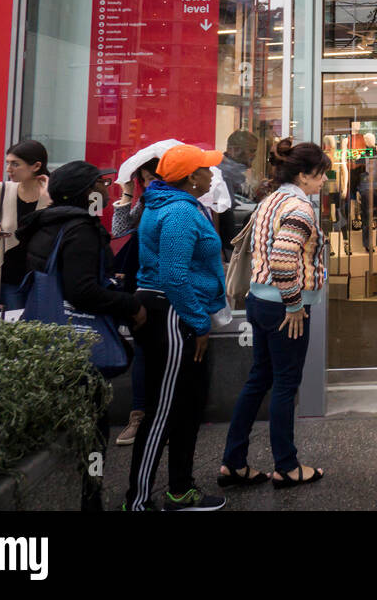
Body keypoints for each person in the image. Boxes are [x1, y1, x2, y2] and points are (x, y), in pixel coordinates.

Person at [16, 160, 147, 510]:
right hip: (79, 344)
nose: (106, 191)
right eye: (100, 185)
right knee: (93, 431)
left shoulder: (47, 223)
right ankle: (91, 500)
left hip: (49, 339)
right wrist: (130, 305)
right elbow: (81, 290)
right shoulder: (82, 230)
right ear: (84, 193)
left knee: (71, 427)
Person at [122, 144, 229, 511]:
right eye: (206, 169)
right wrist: (199, 322)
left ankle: (181, 490)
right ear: (190, 177)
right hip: (173, 315)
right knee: (163, 410)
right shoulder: (180, 212)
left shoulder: (177, 205)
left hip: (178, 313)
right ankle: (136, 502)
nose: (213, 175)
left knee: (188, 405)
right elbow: (173, 275)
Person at [221, 139, 328, 490]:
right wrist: (295, 304)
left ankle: (233, 461)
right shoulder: (299, 206)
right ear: (303, 175)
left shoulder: (271, 199)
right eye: (320, 174)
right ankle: (286, 465)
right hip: (284, 307)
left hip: (259, 299)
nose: (324, 180)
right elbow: (284, 258)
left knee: (258, 380)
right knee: (285, 385)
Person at [110, 154, 160, 447]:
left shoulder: (177, 202)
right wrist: (128, 193)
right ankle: (139, 415)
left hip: (164, 285)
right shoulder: (144, 202)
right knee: (142, 350)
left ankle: (160, 416)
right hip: (139, 283)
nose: (150, 184)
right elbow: (119, 230)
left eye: (154, 177)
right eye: (146, 179)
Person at [0, 140, 51, 311]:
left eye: (15, 164)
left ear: (36, 166)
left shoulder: (53, 193)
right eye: (8, 163)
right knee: (13, 332)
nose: (9, 169)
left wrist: (49, 199)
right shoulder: (0, 191)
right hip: (8, 278)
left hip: (44, 279)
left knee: (41, 334)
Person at [218, 129, 260, 259]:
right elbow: (225, 214)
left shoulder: (234, 171)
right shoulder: (226, 173)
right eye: (251, 151)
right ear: (234, 150)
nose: (254, 156)